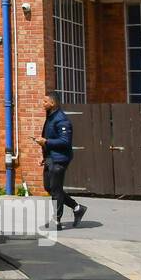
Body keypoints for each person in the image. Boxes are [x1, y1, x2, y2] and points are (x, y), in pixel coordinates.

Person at [35, 93, 86, 231]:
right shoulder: (50, 117)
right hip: (50, 157)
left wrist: (46, 141)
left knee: (56, 189)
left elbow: (65, 142)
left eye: (45, 101)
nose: (43, 103)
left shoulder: (61, 120)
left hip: (60, 159)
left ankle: (56, 220)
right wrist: (44, 156)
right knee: (49, 187)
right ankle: (77, 207)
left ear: (53, 103)